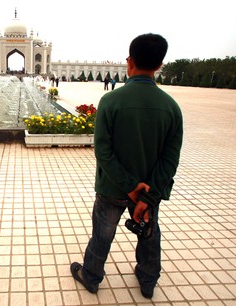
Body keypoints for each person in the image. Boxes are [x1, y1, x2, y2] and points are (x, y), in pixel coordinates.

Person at [70, 33, 183, 299]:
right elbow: (171, 159)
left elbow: (103, 151)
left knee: (102, 234)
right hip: (148, 191)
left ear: (129, 62)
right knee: (149, 234)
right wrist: (147, 193)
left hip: (112, 188)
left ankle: (92, 275)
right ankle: (147, 280)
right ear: (159, 66)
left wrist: (129, 187)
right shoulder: (171, 107)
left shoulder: (111, 101)